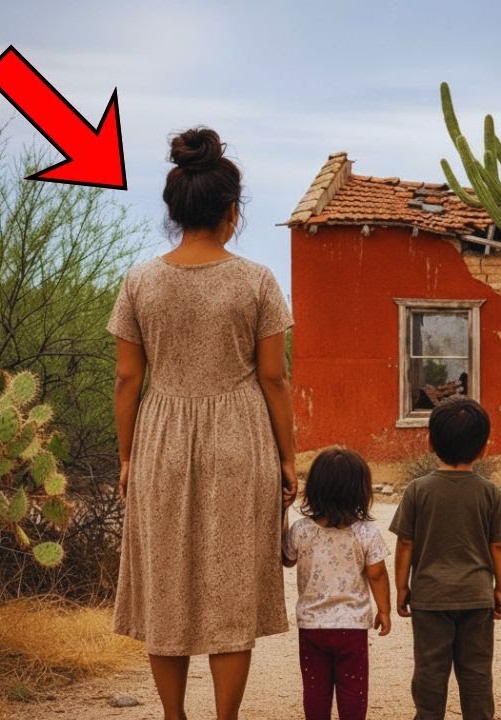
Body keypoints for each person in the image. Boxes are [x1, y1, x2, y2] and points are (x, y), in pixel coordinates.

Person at [108, 127, 296, 720]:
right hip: (241, 439)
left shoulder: (139, 281)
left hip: (161, 439)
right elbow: (274, 378)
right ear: (231, 211)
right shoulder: (257, 280)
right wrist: (288, 457)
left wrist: (127, 457)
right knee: (230, 587)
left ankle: (174, 716)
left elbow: (127, 380)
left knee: (166, 584)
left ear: (175, 210)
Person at [389, 398, 501, 720]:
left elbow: (405, 542)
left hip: (430, 598)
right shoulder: (489, 492)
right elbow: (499, 545)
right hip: (476, 598)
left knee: (430, 671)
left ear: (431, 442)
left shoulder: (417, 490)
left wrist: (402, 587)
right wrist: (500, 590)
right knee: (476, 672)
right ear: (483, 448)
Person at [283, 447, 392, 720]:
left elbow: (287, 559)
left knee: (315, 689)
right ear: (360, 491)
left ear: (315, 489)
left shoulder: (301, 530)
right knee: (353, 689)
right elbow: (377, 574)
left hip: (312, 627)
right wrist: (384, 610)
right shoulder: (366, 532)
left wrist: (282, 513)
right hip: (352, 628)